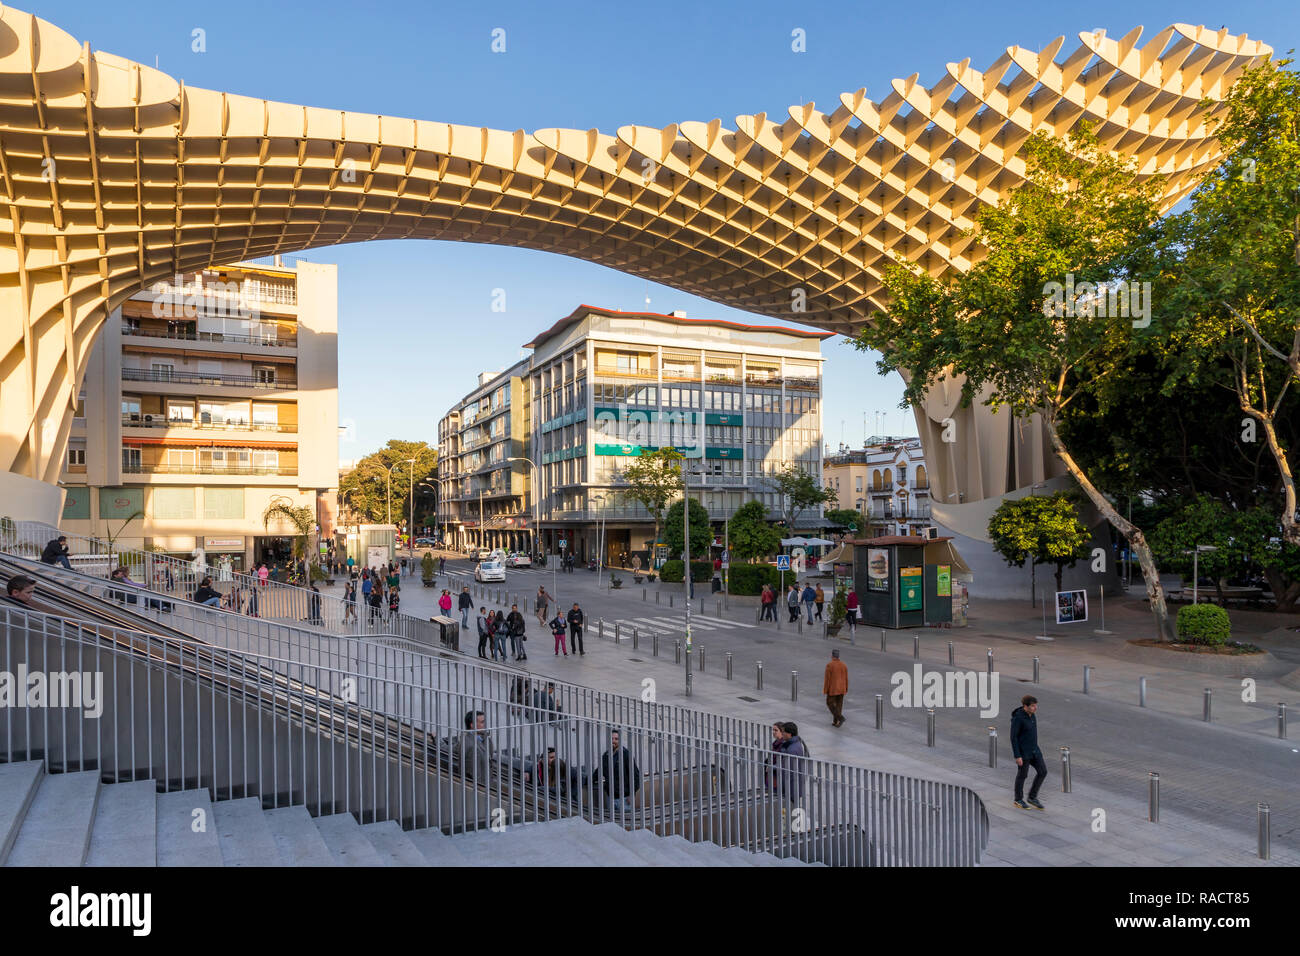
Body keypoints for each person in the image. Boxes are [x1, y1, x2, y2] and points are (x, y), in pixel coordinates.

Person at [1011, 695, 1047, 810]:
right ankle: (1018, 799)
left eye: (1036, 705)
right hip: (1024, 752)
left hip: (1035, 750)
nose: (1035, 708)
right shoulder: (1018, 718)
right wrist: (1017, 755)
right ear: (1025, 706)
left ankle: (1032, 797)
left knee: (1043, 772)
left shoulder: (1032, 715)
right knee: (1022, 775)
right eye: (1032, 706)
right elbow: (1013, 737)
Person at [597, 729, 641, 816]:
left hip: (624, 799)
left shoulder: (626, 755)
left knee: (625, 823)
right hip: (610, 797)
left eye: (616, 739)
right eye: (612, 738)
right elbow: (599, 770)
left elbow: (635, 775)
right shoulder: (606, 755)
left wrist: (632, 794)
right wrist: (586, 780)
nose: (613, 741)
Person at [823, 648, 848, 728]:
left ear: (832, 656)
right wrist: (846, 688)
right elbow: (846, 678)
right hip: (842, 688)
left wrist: (826, 689)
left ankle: (840, 718)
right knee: (839, 705)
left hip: (833, 688)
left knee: (829, 703)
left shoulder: (830, 665)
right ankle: (836, 721)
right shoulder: (844, 665)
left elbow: (827, 679)